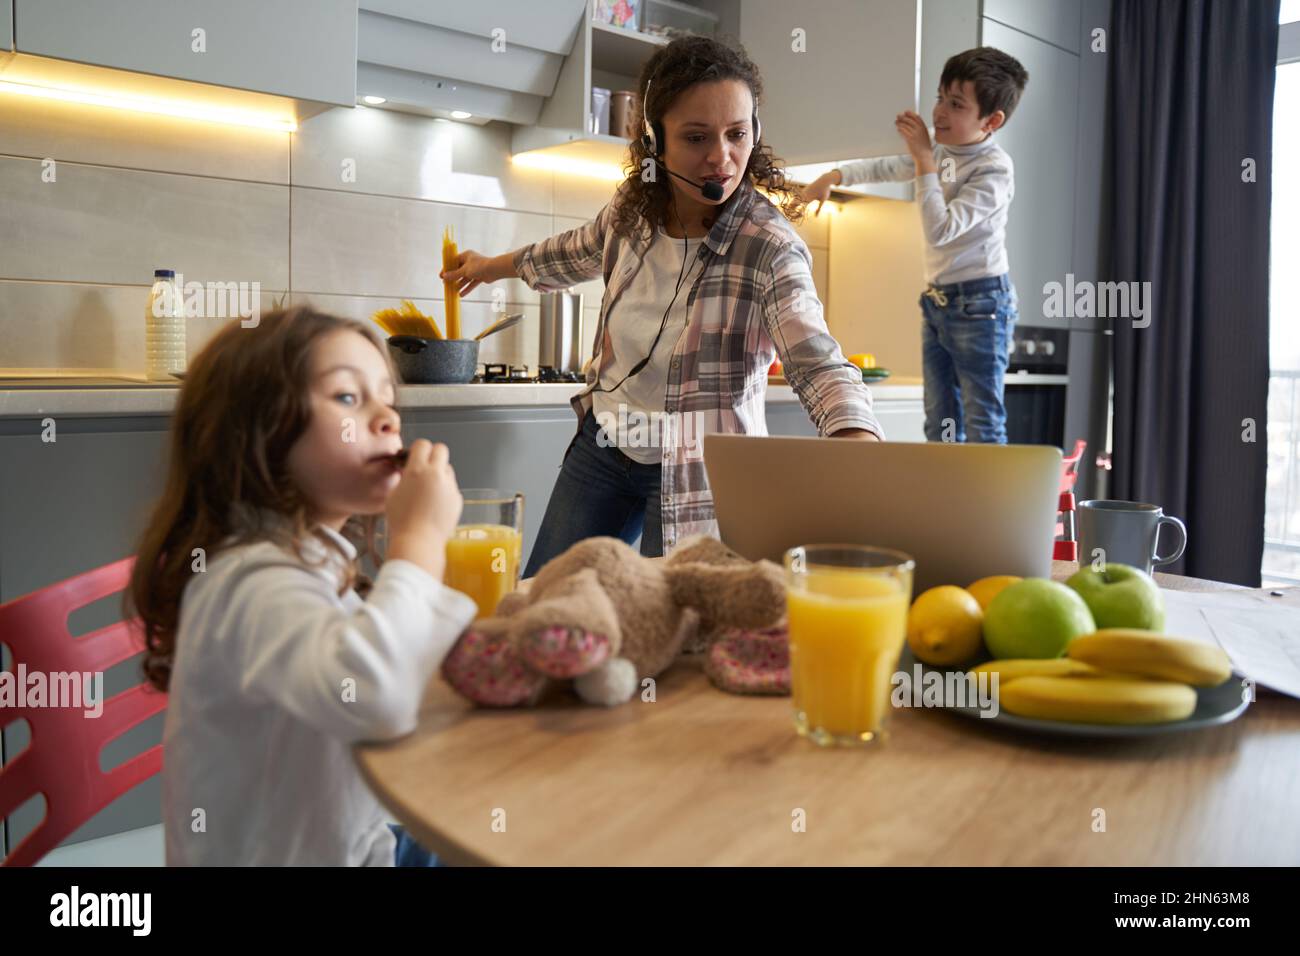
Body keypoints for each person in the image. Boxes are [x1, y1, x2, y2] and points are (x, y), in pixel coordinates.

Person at [442, 36, 884, 577]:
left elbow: (817, 361)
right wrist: (491, 266)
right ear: (655, 141)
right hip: (604, 444)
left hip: (694, 468)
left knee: (672, 627)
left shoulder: (769, 244)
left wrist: (855, 439)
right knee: (549, 600)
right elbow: (579, 249)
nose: (722, 158)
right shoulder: (634, 205)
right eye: (696, 137)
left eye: (737, 134)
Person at [128, 306, 475, 865]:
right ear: (257, 432)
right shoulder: (249, 582)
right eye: (346, 398)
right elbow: (373, 694)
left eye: (387, 396)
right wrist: (419, 541)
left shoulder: (312, 559)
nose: (387, 417)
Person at [802, 47, 1029, 444]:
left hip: (982, 305)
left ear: (991, 121)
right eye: (940, 97)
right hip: (938, 302)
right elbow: (886, 166)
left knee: (982, 424)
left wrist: (924, 160)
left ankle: (984, 507)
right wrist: (834, 174)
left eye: (956, 104)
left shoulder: (993, 168)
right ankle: (944, 504)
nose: (939, 111)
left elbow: (942, 229)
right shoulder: (940, 153)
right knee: (939, 421)